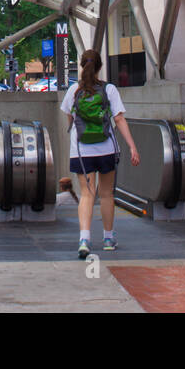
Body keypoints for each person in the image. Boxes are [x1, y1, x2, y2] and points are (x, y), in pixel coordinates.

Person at [61, 49, 140, 258]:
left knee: (87, 194)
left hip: (81, 151)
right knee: (106, 194)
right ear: (100, 66)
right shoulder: (109, 89)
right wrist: (132, 146)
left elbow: (69, 120)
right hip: (106, 149)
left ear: (81, 65)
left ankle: (84, 239)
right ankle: (107, 238)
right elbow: (119, 119)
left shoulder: (73, 91)